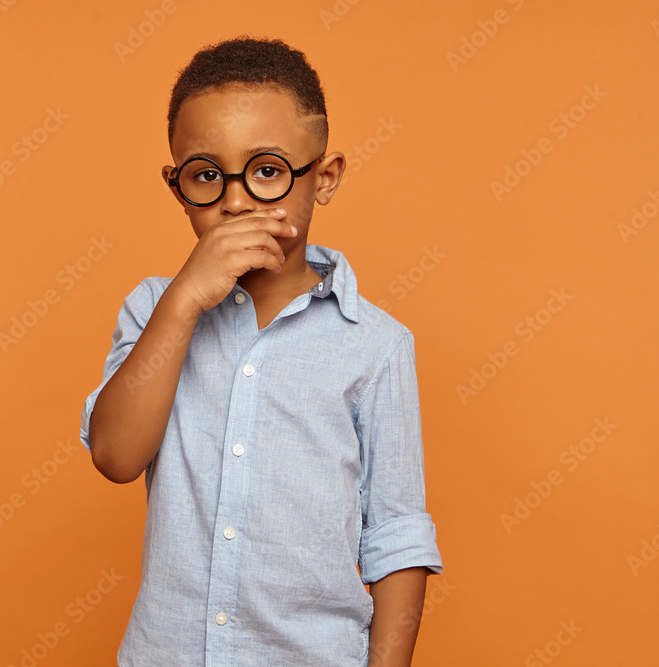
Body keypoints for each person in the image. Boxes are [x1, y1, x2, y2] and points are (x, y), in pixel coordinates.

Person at [80, 35, 443, 666]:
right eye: (206, 176)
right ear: (176, 186)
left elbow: (397, 536)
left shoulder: (377, 345)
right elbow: (115, 454)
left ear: (323, 178)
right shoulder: (154, 310)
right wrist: (184, 301)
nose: (237, 200)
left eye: (268, 170)